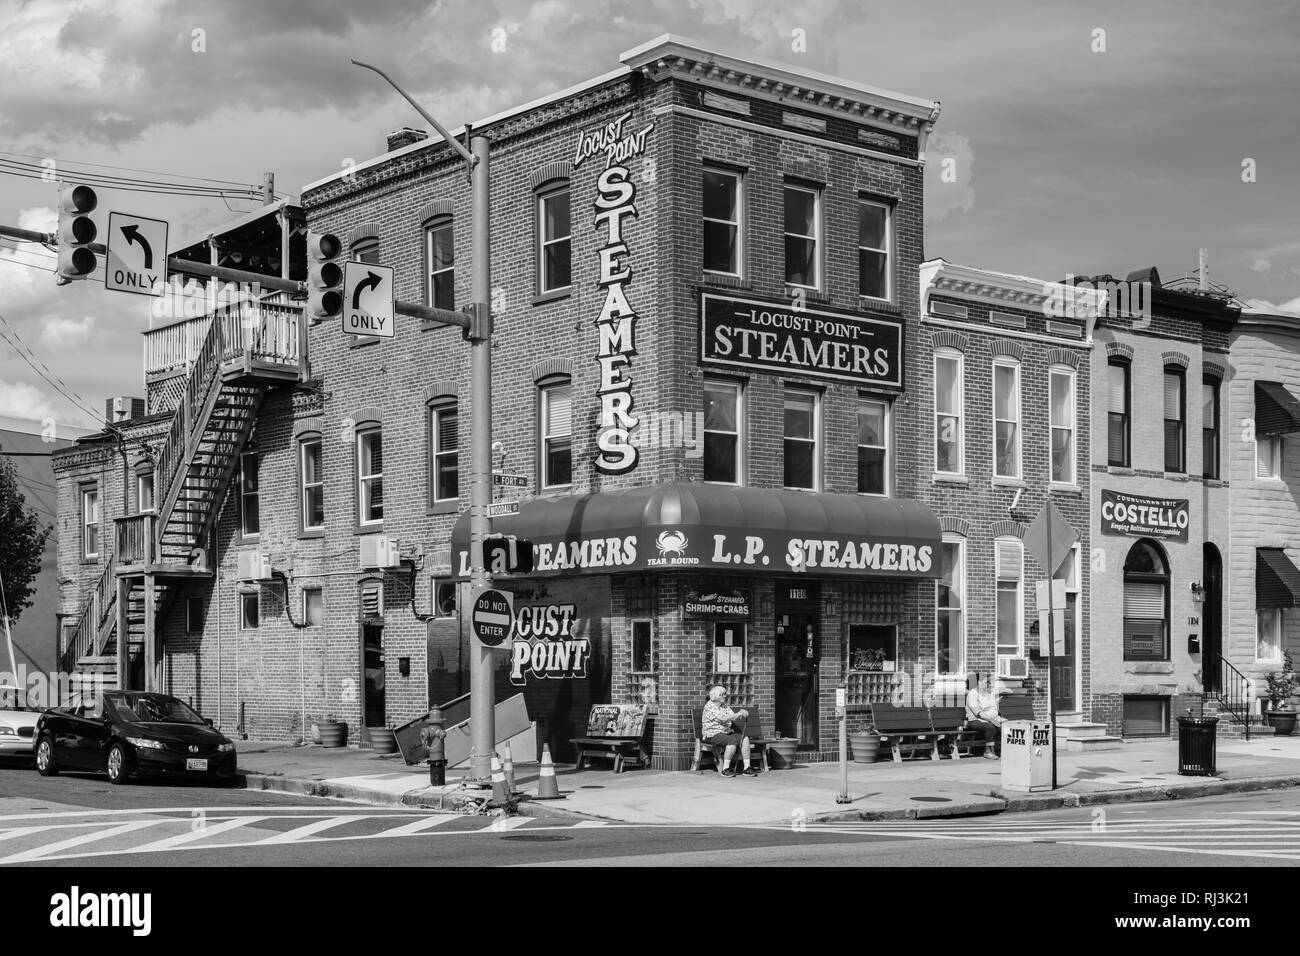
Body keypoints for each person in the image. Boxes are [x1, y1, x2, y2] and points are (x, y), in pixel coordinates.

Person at [702, 686, 759, 776]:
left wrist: (741, 712)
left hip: (725, 732)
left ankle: (747, 768)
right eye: (723, 694)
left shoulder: (723, 706)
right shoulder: (710, 706)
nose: (725, 696)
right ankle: (726, 769)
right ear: (716, 696)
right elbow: (723, 719)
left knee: (744, 739)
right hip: (712, 734)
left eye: (725, 694)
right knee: (731, 741)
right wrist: (738, 714)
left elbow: (733, 716)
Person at [964, 672, 1004, 759]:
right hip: (974, 721)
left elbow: (992, 708)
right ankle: (988, 751)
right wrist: (992, 720)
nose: (988, 684)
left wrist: (998, 717)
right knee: (990, 727)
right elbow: (978, 713)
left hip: (989, 719)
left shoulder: (987, 693)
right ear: (979, 682)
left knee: (1007, 726)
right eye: (986, 682)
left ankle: (1005, 750)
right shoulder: (972, 694)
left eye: (989, 682)